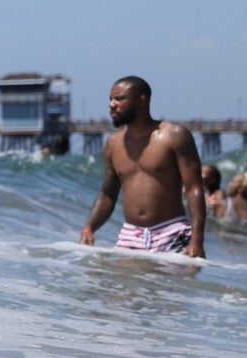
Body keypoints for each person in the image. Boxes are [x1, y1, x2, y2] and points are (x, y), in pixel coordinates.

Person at [79, 77, 205, 257]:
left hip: (171, 232)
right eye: (110, 99)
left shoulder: (174, 135)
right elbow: (107, 194)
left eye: (119, 99)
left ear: (142, 100)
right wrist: (89, 228)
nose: (112, 105)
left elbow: (194, 189)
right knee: (122, 285)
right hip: (130, 236)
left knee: (173, 286)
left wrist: (197, 240)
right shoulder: (113, 143)